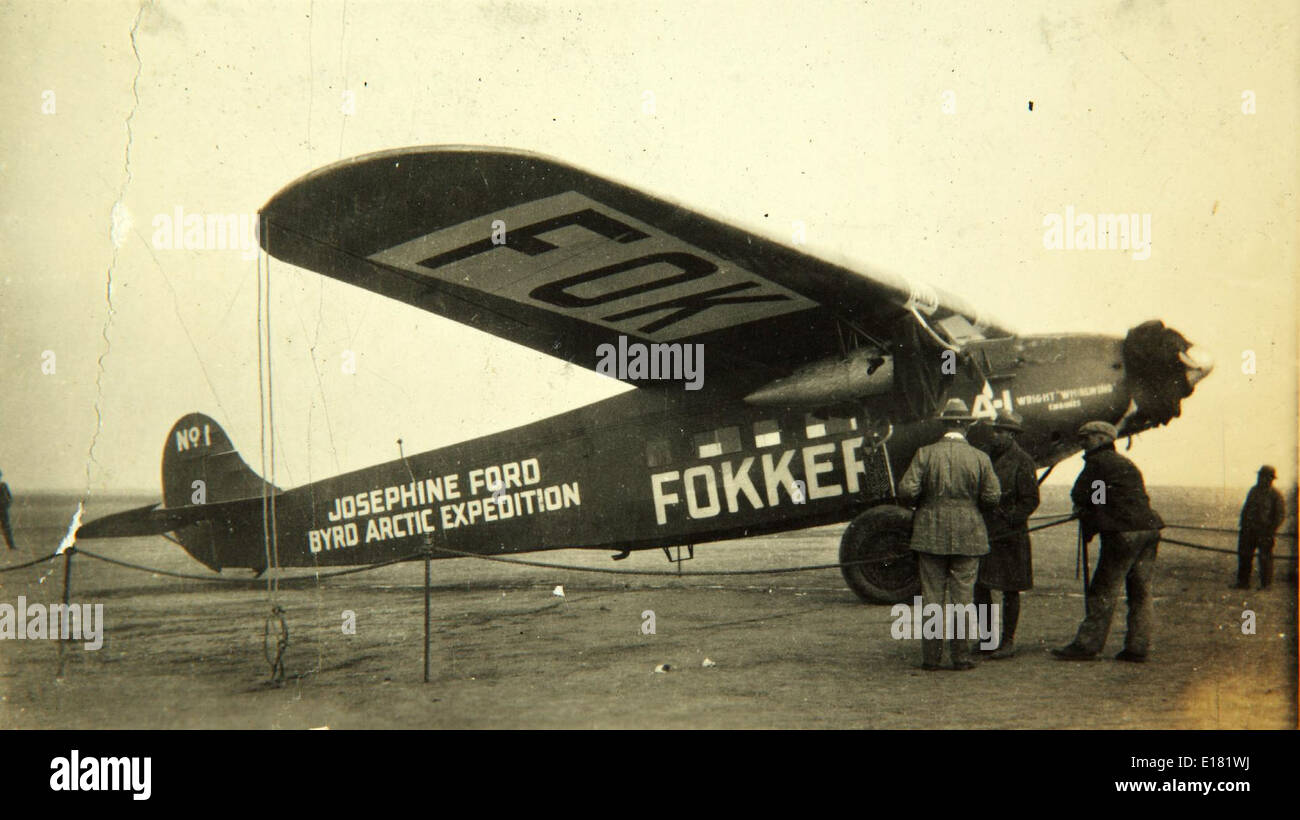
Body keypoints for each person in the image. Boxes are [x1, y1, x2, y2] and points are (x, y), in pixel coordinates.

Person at [897, 398, 1001, 671]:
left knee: (932, 596)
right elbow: (992, 496)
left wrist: (923, 504)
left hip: (930, 531)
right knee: (963, 597)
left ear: (945, 425)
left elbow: (907, 490)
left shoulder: (925, 453)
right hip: (969, 532)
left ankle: (931, 658)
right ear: (966, 427)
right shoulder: (980, 458)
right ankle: (962, 656)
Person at [1053, 421, 1164, 663]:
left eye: (1086, 438)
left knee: (1104, 589)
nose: (1082, 444)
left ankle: (1087, 644)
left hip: (1123, 534)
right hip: (1149, 529)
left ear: (1101, 438)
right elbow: (1105, 496)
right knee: (1141, 591)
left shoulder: (1098, 464)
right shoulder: (1125, 463)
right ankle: (1137, 647)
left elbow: (1092, 496)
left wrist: (1089, 521)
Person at [973, 410, 1040, 659]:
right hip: (985, 532)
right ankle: (987, 639)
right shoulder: (985, 456)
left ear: (1011, 435)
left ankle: (1007, 641)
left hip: (1010, 536)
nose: (995, 435)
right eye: (994, 430)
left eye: (1000, 431)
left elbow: (1031, 500)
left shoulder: (1023, 461)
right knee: (981, 587)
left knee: (1010, 589)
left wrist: (1009, 518)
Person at [1234, 465, 1286, 590]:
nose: (1260, 479)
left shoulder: (1275, 495)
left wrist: (1271, 530)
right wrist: (1243, 525)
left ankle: (1266, 585)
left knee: (1265, 559)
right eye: (1260, 476)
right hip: (1248, 530)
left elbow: (1280, 515)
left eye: (1263, 476)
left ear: (1270, 479)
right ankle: (1243, 583)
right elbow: (1246, 509)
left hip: (1265, 532)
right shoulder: (1253, 491)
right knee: (1244, 556)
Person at [0, 469, 16, 550]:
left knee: (6, 528)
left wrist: (6, 505)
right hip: (3, 509)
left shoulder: (3, 485)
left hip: (3, 510)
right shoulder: (3, 485)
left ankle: (11, 545)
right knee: (6, 528)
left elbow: (9, 498)